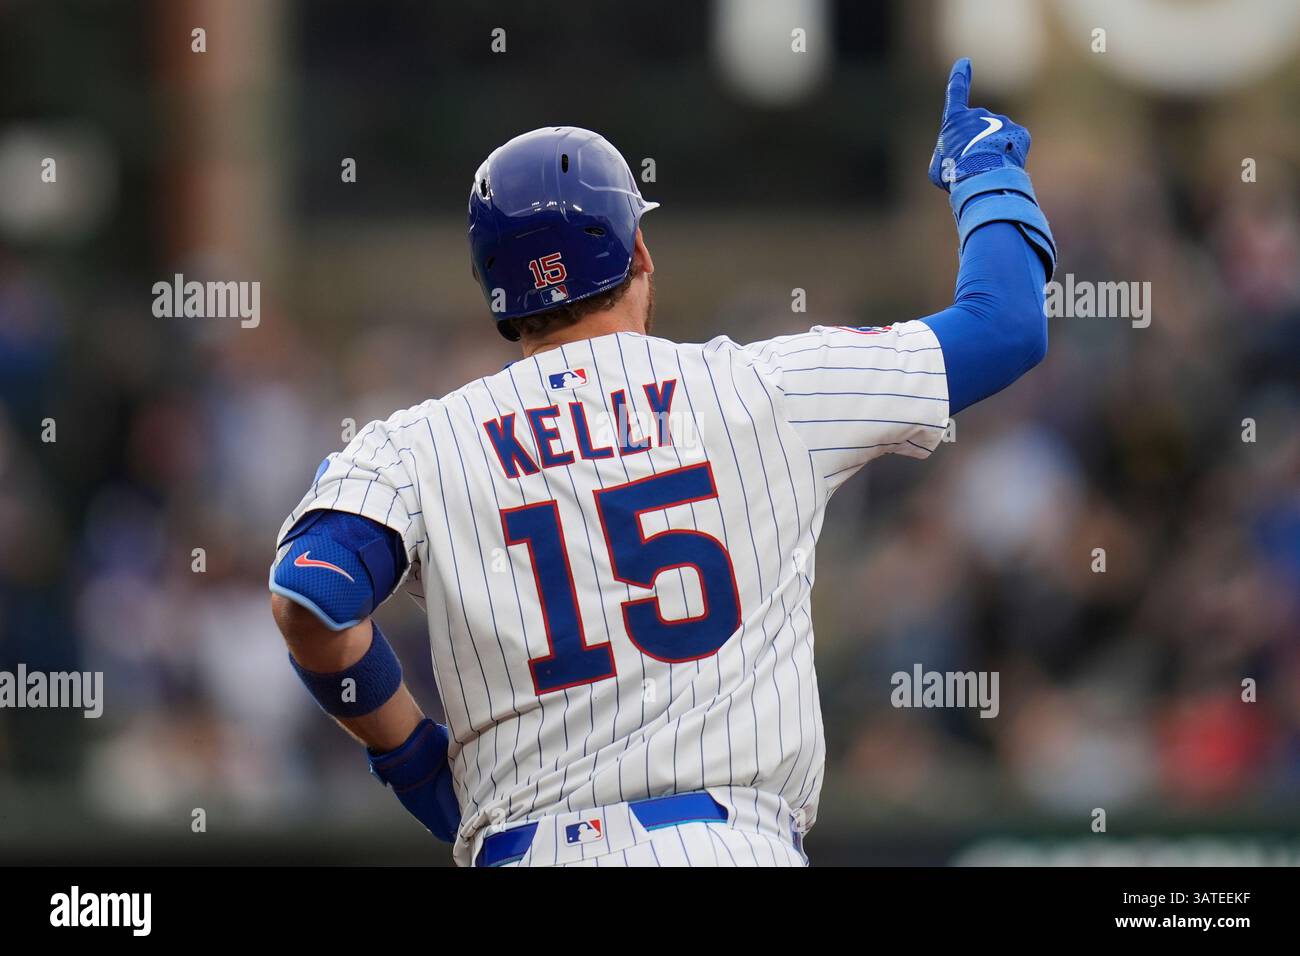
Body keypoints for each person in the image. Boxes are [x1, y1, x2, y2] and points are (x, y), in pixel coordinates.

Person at [268, 58, 1055, 867]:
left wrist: (411, 756)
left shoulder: (421, 441)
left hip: (534, 847)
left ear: (494, 294)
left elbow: (313, 594)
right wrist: (986, 171)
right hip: (730, 845)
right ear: (639, 252)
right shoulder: (761, 388)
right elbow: (1006, 326)